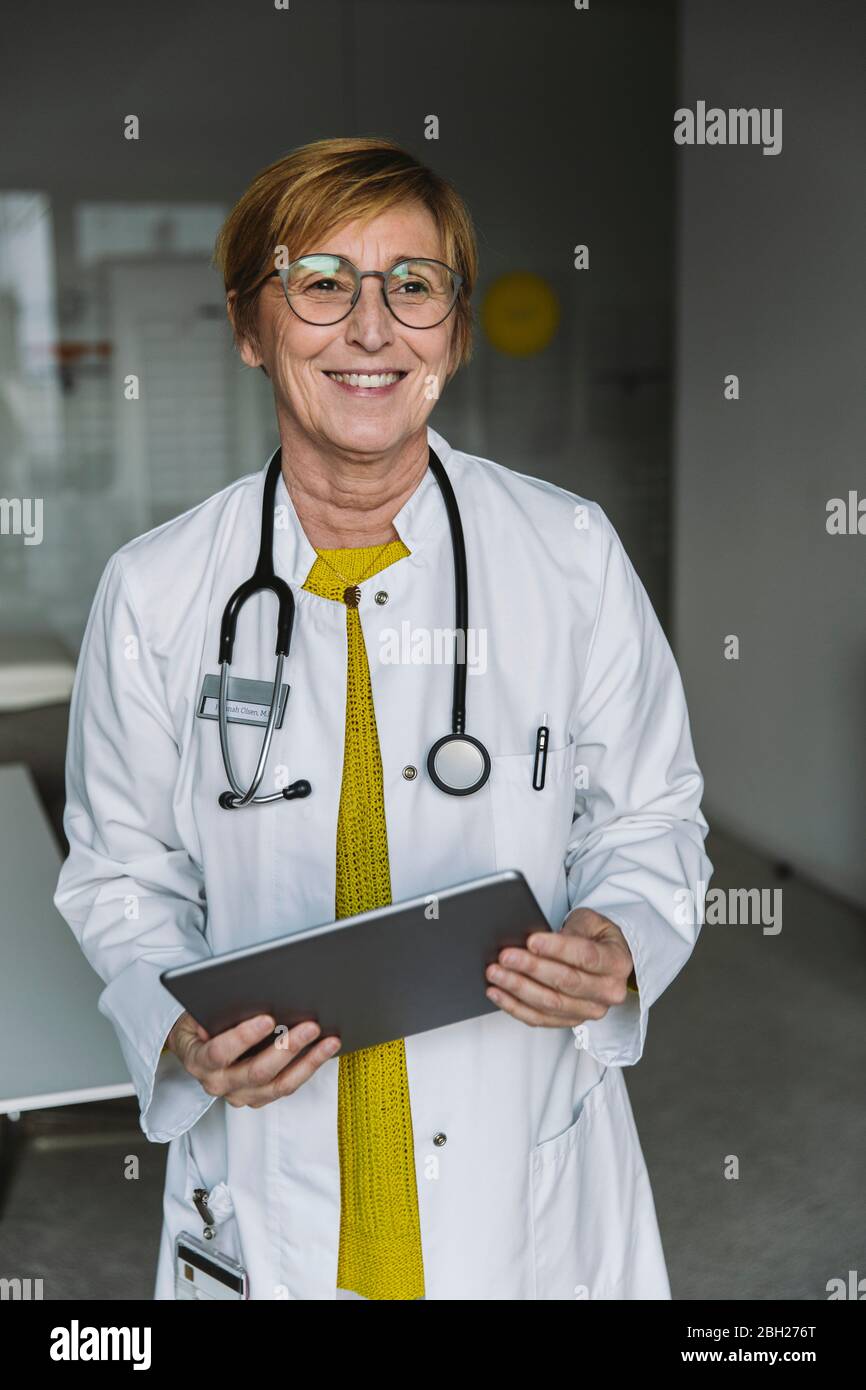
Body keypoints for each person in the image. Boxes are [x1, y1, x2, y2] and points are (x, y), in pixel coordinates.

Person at [54, 136, 712, 1301]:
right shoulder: (155, 590)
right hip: (270, 1161)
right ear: (251, 327)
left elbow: (650, 812)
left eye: (412, 286)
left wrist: (618, 939)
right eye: (320, 282)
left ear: (452, 333)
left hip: (517, 1156)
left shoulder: (565, 553)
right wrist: (177, 1031)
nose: (371, 329)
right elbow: (120, 875)